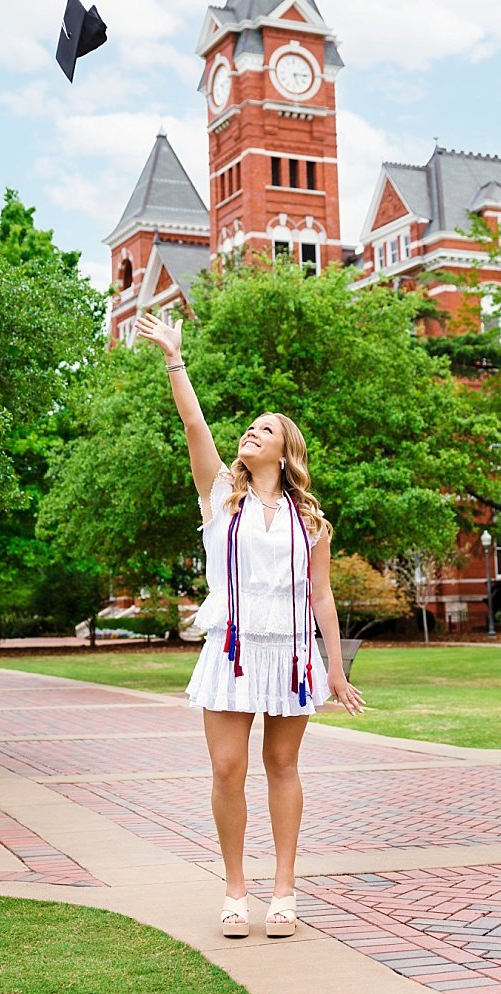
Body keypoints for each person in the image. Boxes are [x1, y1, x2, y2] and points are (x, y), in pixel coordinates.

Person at [135, 310, 365, 941]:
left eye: (262, 430)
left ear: (285, 450)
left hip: (292, 656)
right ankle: (236, 891)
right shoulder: (219, 498)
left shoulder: (311, 521)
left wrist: (336, 672)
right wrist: (174, 359)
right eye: (247, 428)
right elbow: (192, 423)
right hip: (231, 654)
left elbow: (322, 598)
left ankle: (284, 894)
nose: (248, 434)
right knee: (227, 769)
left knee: (283, 767)